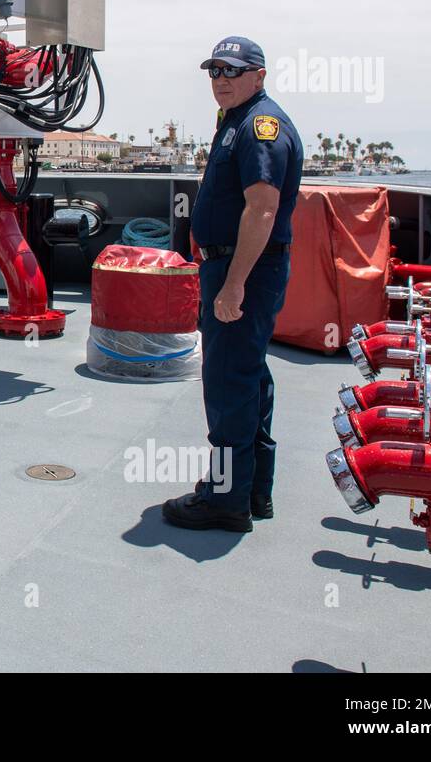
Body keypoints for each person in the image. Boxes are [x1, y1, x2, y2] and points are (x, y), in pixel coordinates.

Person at [162, 36, 302, 533]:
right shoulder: (237, 121)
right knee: (247, 377)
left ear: (259, 76)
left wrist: (233, 285)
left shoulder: (260, 128)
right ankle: (252, 490)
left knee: (227, 383)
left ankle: (224, 499)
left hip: (243, 270)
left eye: (232, 71)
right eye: (214, 71)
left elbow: (261, 209)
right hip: (233, 267)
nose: (221, 80)